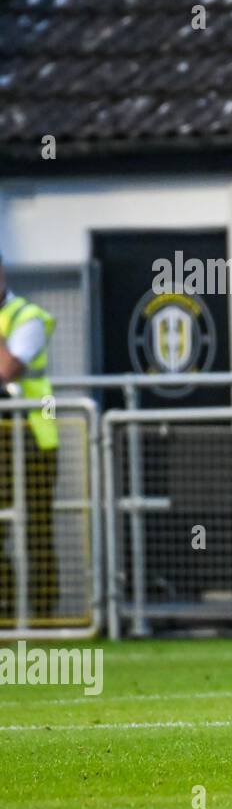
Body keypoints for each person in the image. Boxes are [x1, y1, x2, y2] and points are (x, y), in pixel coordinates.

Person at [0, 251, 60, 624]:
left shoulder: (28, 317)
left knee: (37, 528)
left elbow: (7, 369)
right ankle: (5, 611)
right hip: (2, 440)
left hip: (34, 439)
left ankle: (44, 617)